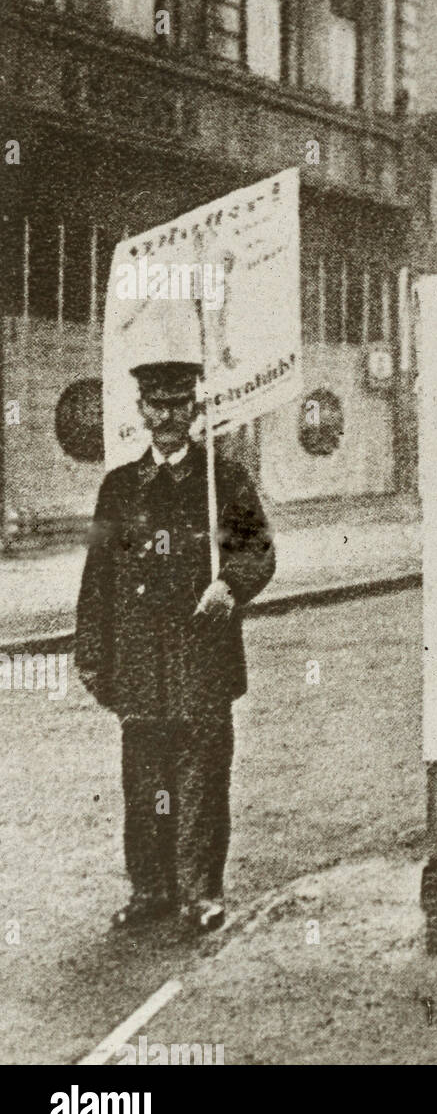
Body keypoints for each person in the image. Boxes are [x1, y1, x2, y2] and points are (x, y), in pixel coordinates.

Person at [75, 359, 276, 934]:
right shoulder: (118, 488)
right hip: (139, 660)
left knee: (201, 777)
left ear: (195, 408)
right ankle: (152, 889)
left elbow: (258, 551)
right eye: (156, 405)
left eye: (179, 404)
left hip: (200, 656)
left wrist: (228, 585)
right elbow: (97, 578)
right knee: (145, 783)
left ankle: (201, 893)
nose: (167, 417)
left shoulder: (224, 480)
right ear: (140, 410)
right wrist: (93, 655)